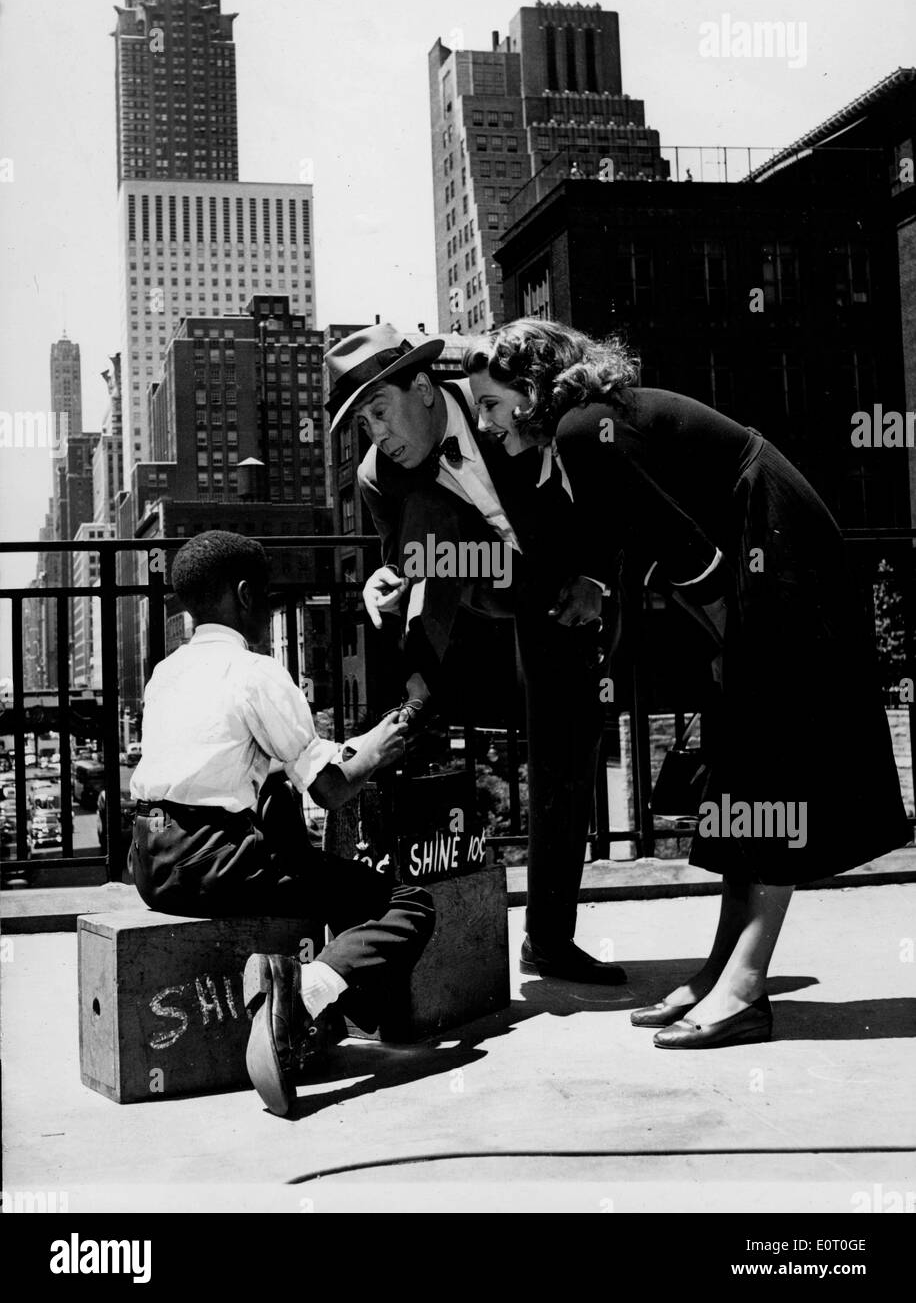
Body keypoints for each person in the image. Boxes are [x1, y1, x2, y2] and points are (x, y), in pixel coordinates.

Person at [465, 318, 910, 1049]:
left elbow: (688, 553)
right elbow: (642, 527)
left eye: (489, 404)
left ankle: (746, 985)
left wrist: (727, 646)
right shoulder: (584, 431)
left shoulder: (582, 429)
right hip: (753, 541)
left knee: (773, 760)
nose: (484, 424)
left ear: (531, 390)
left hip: (772, 538)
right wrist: (604, 588)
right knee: (741, 761)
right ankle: (719, 971)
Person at [324, 320, 626, 985]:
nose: (377, 436)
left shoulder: (505, 392)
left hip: (568, 585)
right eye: (364, 425)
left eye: (380, 412)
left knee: (566, 758)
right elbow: (401, 557)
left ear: (426, 387)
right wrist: (388, 578)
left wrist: (599, 577)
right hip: (478, 598)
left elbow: (608, 474)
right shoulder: (380, 479)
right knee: (408, 690)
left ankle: (548, 939)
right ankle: (389, 931)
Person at [130, 531, 435, 1115]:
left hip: (151, 859)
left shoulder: (166, 674)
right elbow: (331, 788)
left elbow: (267, 761)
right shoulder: (256, 672)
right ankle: (302, 995)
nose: (269, 611)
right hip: (213, 862)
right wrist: (382, 749)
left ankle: (353, 1001)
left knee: (304, 850)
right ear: (246, 596)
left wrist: (359, 745)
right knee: (407, 905)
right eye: (267, 598)